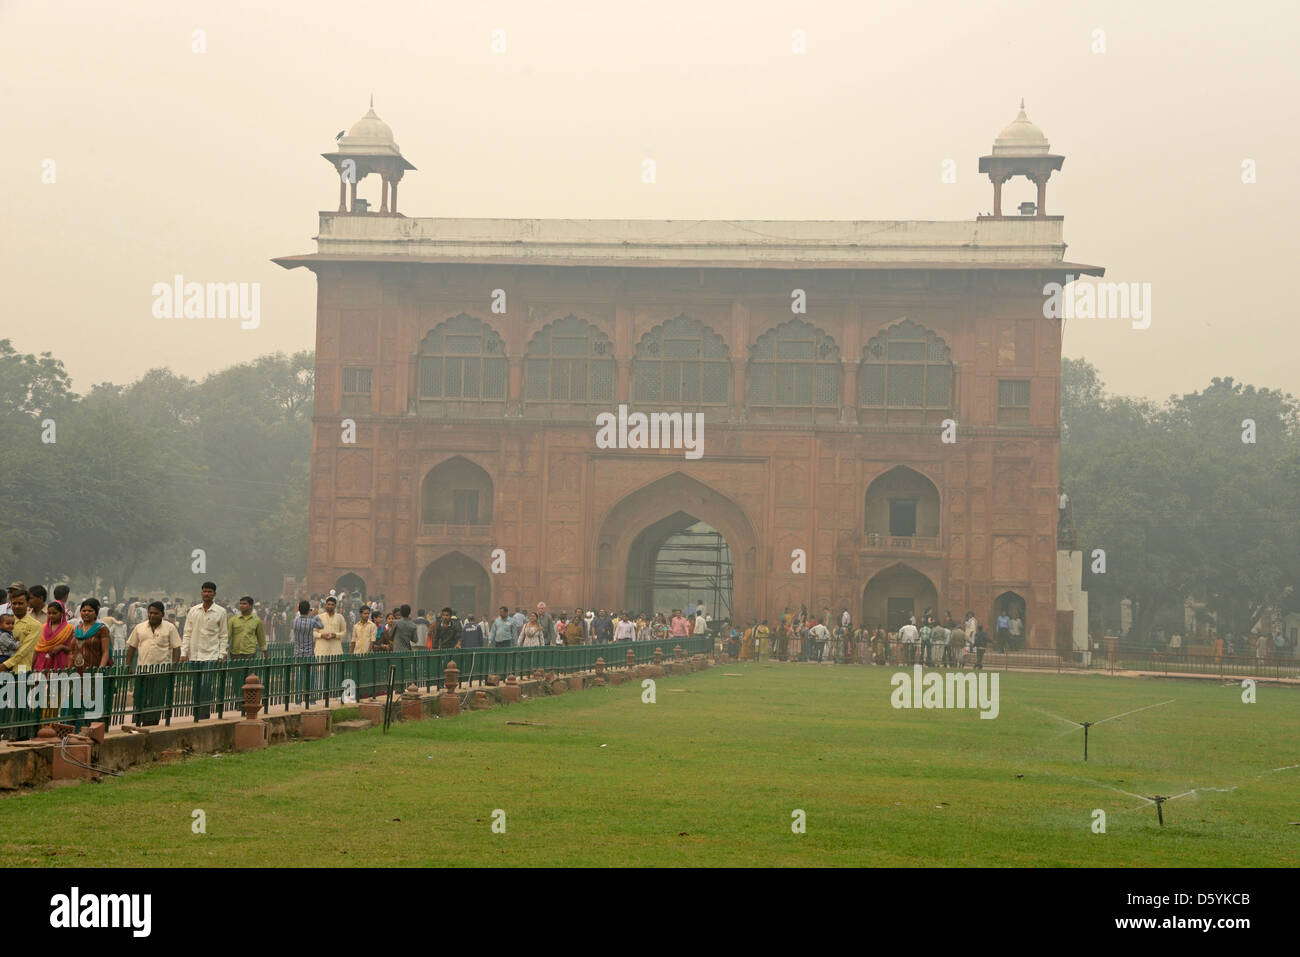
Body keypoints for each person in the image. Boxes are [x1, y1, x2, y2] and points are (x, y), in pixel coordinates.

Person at [125, 601, 182, 726]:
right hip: (142, 670)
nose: (152, 616)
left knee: (156, 699)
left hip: (161, 671)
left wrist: (174, 664)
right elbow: (132, 647)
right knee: (139, 698)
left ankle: (152, 723)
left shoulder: (170, 628)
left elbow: (176, 648)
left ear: (162, 614)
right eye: (150, 613)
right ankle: (139, 721)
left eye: (156, 613)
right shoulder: (139, 627)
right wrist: (128, 665)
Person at [183, 580, 228, 718]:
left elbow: (223, 634)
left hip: (211, 654)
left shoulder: (221, 612)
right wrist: (184, 652)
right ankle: (197, 712)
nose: (206, 594)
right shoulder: (193, 611)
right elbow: (187, 632)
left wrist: (222, 654)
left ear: (214, 594)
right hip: (195, 655)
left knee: (206, 685)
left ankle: (204, 713)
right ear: (201, 593)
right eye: (204, 591)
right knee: (196, 685)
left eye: (209, 591)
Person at [0, 591, 40, 674]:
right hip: (2, 666)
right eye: (14, 603)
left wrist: (6, 665)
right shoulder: (4, 621)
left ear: (28, 604)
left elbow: (24, 650)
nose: (17, 606)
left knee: (20, 687)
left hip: (21, 668)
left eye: (20, 603)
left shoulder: (35, 625)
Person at [71, 598, 112, 674]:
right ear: (80, 612)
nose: (86, 613)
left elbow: (105, 652)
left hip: (94, 669)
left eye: (90, 611)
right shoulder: (77, 629)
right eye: (83, 611)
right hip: (76, 670)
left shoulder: (102, 629)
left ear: (96, 613)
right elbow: (72, 651)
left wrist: (100, 669)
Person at [228, 596, 268, 665]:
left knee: (248, 674)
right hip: (235, 653)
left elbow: (261, 638)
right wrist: (224, 651)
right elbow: (228, 636)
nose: (241, 606)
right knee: (236, 674)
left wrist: (265, 652)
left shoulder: (257, 620)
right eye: (240, 604)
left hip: (250, 653)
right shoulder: (233, 620)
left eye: (244, 604)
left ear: (250, 606)